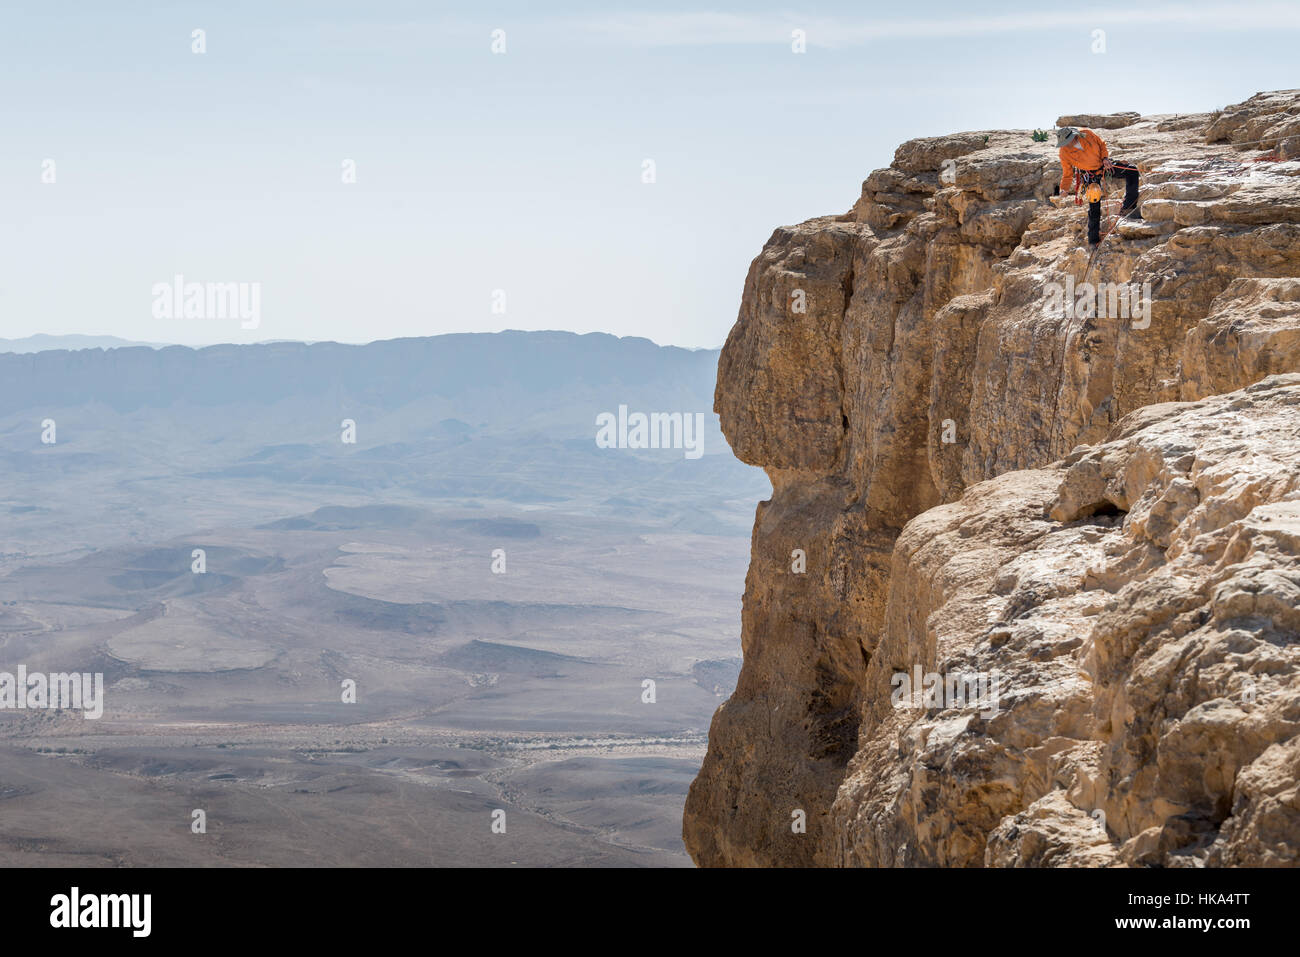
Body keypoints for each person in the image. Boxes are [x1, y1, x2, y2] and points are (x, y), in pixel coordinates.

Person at [1056, 126, 1142, 245]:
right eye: (1065, 143)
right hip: (1090, 175)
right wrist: (1064, 189)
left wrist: (1105, 158)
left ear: (1074, 136)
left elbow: (1101, 145)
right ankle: (1093, 240)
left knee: (1132, 170)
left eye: (1069, 141)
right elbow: (1067, 173)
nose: (1068, 145)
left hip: (1104, 165)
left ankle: (1128, 207)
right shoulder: (1064, 153)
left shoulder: (1087, 134)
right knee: (1094, 206)